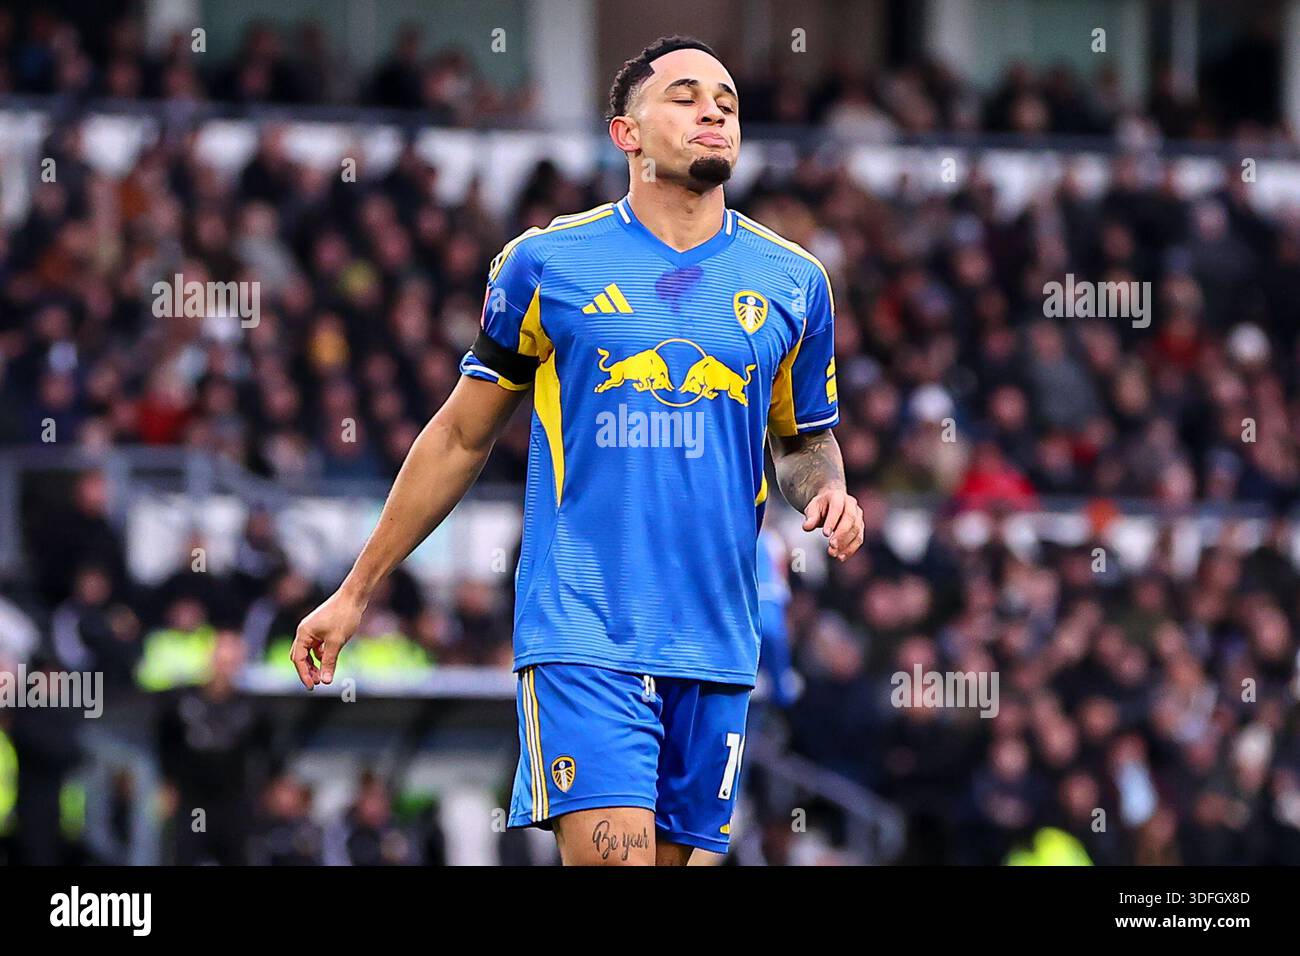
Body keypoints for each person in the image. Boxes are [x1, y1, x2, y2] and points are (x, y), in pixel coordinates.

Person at [292, 35, 863, 866]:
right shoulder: (547, 264)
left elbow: (805, 441)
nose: (714, 110)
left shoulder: (795, 282)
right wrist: (355, 591)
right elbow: (459, 433)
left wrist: (824, 491)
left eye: (728, 101)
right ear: (625, 133)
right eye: (686, 95)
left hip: (716, 641)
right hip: (586, 631)